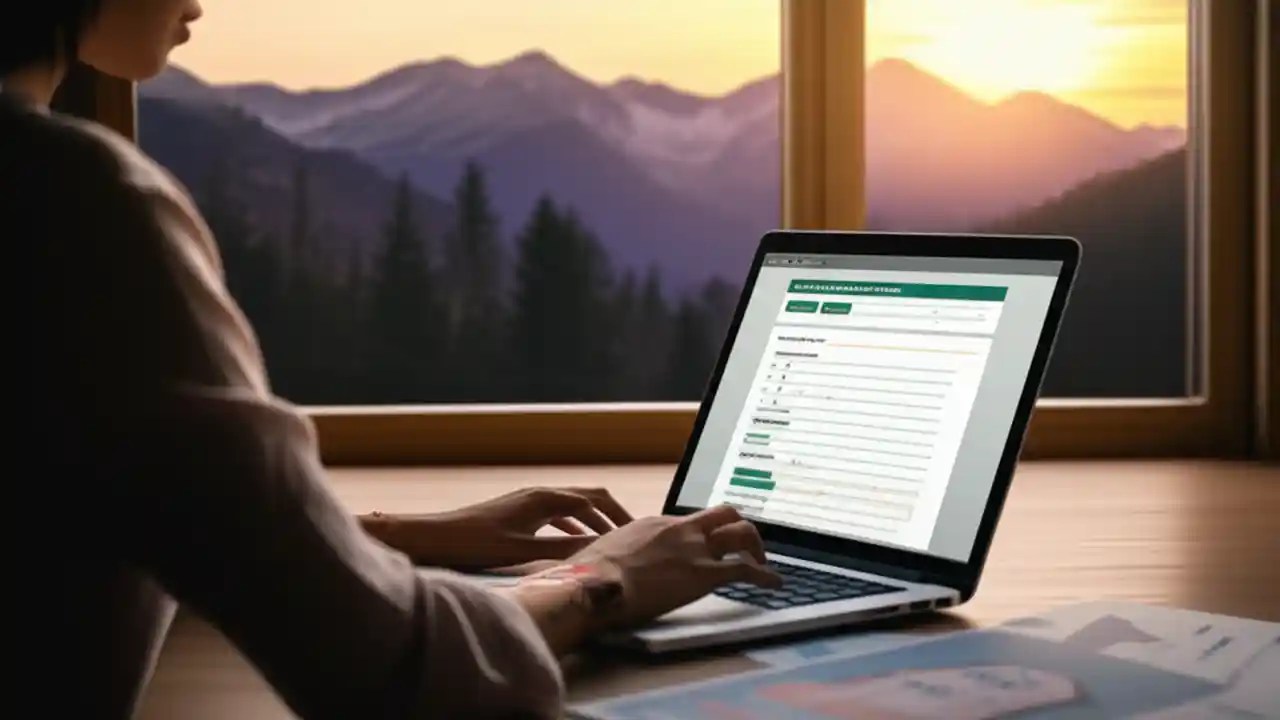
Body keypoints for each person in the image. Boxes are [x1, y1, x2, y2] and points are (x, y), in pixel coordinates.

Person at [4, 1, 780, 717]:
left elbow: (140, 515)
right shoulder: (74, 206)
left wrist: (405, 535)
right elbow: (398, 671)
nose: (201, 2)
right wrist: (605, 577)